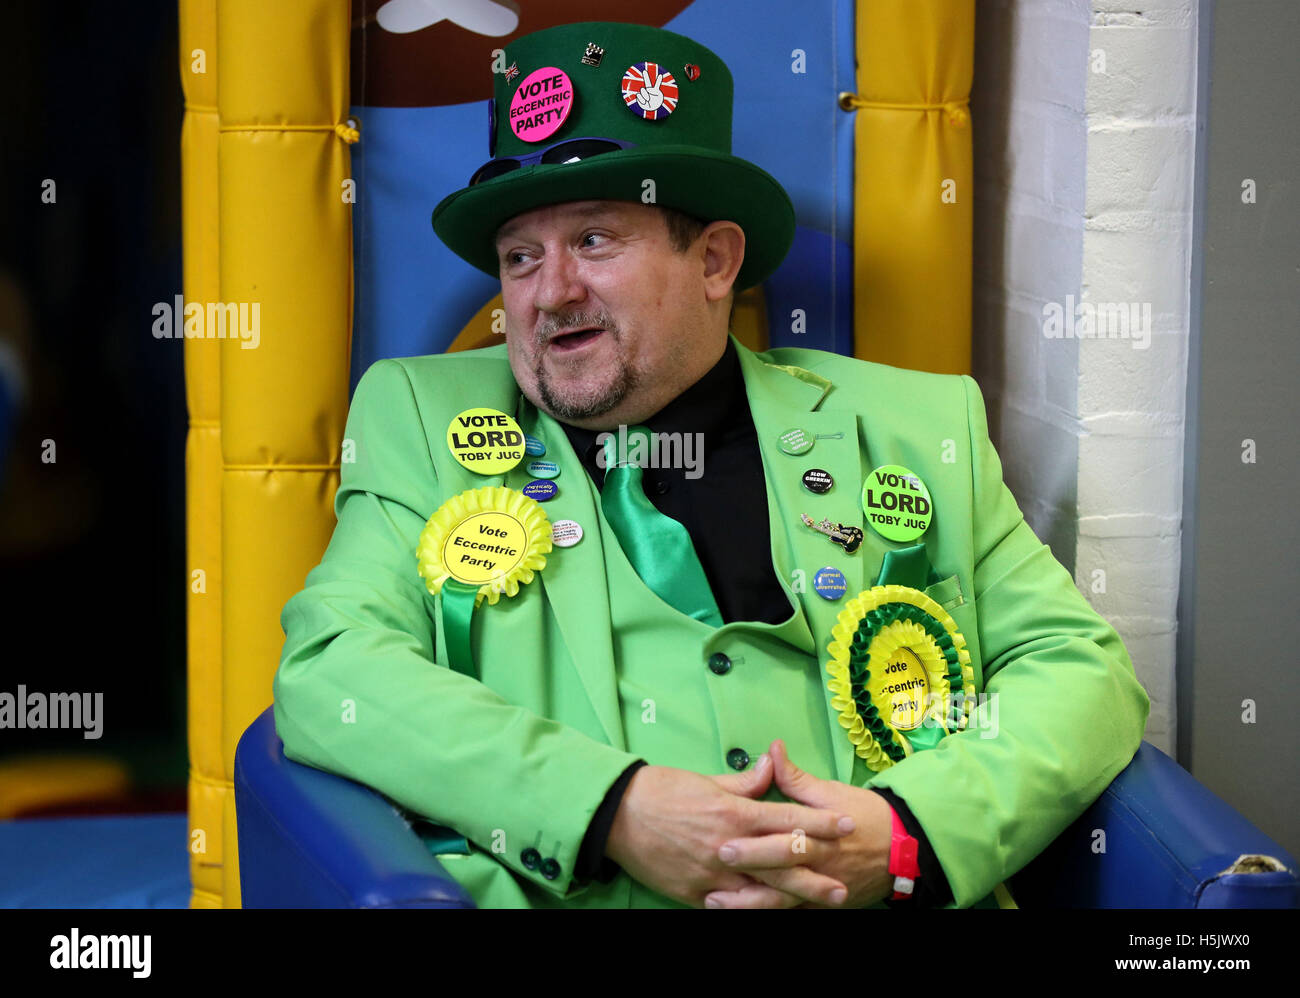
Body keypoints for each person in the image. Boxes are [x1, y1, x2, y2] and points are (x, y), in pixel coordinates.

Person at [273, 20, 1150, 909]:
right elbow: (334, 668)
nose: (551, 292)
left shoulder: (916, 425)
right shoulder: (421, 417)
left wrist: (904, 835)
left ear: (716, 259)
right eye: (520, 258)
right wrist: (610, 807)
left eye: (596, 240)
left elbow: (1081, 673)